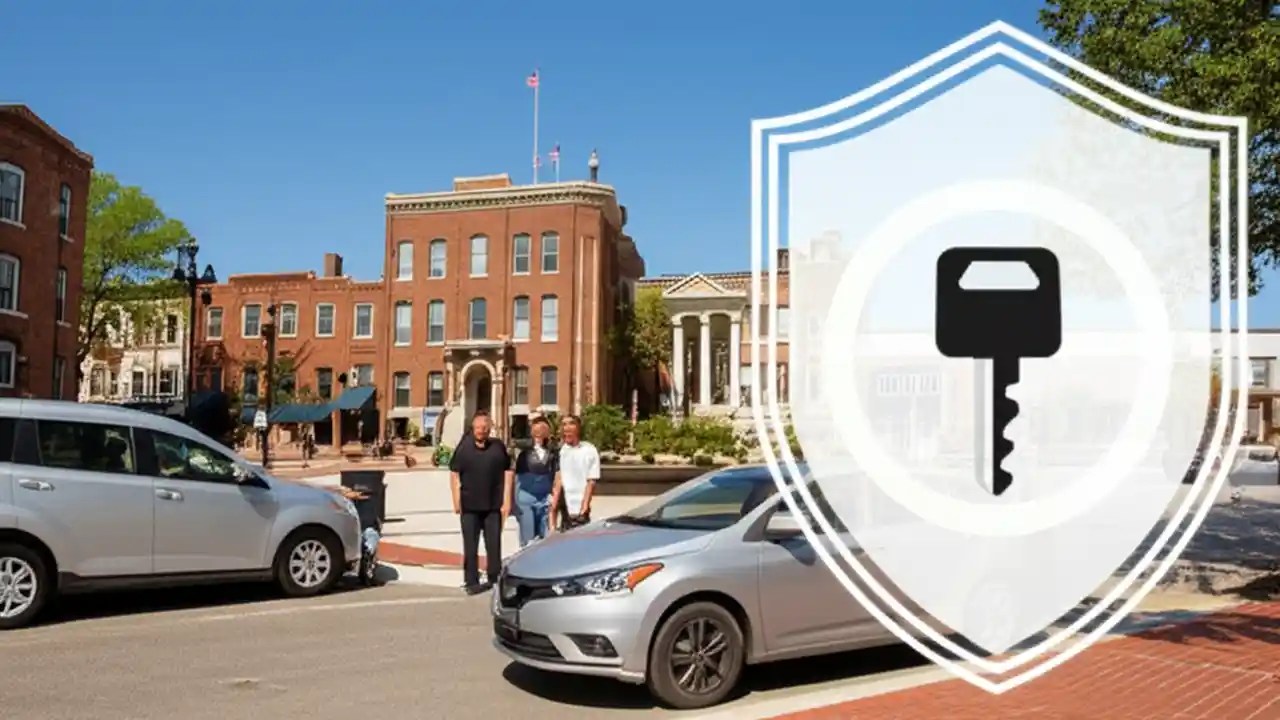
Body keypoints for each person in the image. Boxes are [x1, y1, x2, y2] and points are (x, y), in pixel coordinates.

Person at [449, 412, 513, 595]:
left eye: (484, 428)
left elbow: (508, 472)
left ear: (489, 429)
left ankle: (494, 577)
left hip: (493, 505)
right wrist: (456, 500)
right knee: (470, 546)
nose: (481, 431)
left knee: (494, 544)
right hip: (469, 506)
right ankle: (471, 581)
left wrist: (507, 500)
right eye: (478, 428)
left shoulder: (498, 447)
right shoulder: (464, 448)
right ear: (473, 429)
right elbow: (454, 473)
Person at [513, 415, 557, 546]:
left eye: (542, 430)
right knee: (528, 537)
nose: (538, 434)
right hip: (526, 497)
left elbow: (556, 476)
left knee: (545, 537)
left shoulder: (552, 454)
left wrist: (553, 495)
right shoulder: (524, 454)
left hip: (544, 497)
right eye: (536, 430)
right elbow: (516, 478)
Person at [550, 414, 600, 531]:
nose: (567, 429)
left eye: (571, 424)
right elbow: (558, 480)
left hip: (579, 504)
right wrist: (552, 512)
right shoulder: (560, 451)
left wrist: (584, 507)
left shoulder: (589, 450)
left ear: (578, 428)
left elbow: (591, 481)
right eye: (564, 425)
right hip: (564, 504)